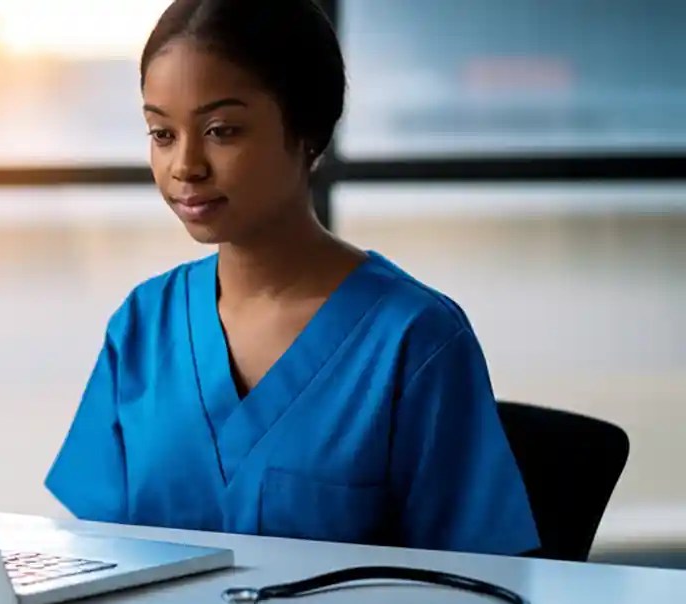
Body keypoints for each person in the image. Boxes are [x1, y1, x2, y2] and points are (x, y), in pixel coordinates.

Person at [43, 0, 540, 555]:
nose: (186, 166)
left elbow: (480, 581)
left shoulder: (413, 338)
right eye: (162, 135)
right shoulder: (143, 323)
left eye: (221, 130)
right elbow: (96, 549)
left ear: (309, 132)